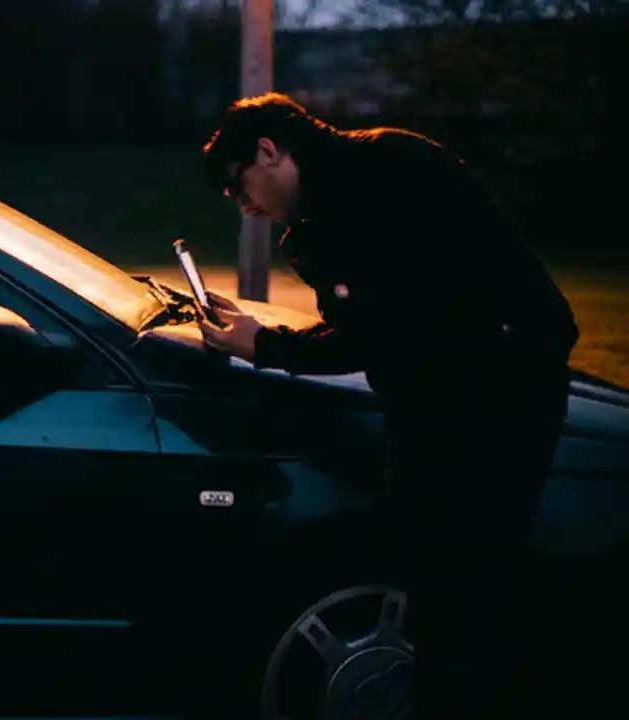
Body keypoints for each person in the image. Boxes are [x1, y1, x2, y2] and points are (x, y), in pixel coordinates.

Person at [197, 93, 578, 718]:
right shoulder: (335, 204)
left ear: (268, 152)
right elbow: (371, 325)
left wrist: (265, 346)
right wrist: (262, 335)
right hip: (444, 396)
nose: (244, 206)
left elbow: (392, 327)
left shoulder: (387, 175)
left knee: (470, 581)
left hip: (495, 396)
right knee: (436, 577)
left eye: (239, 187)